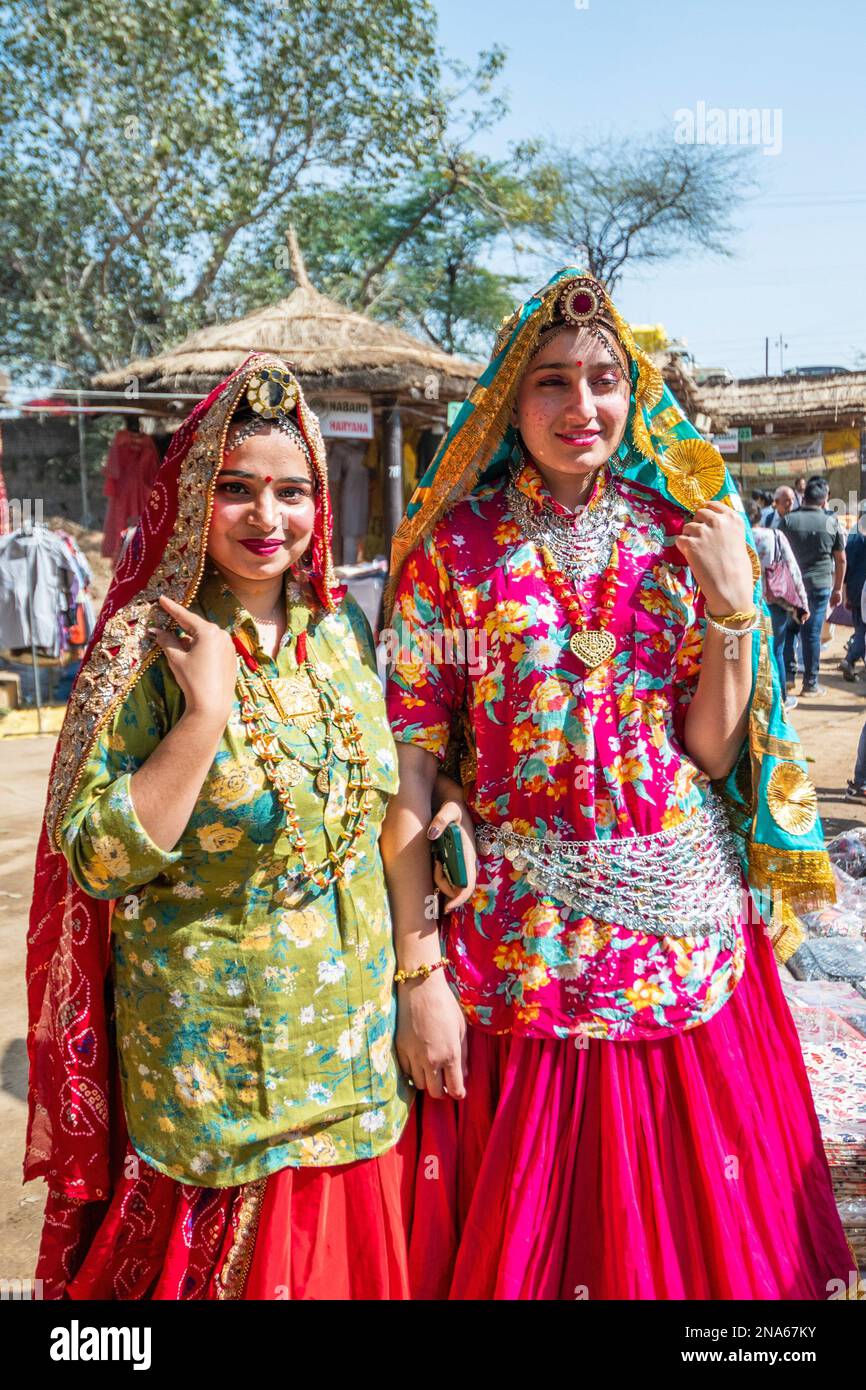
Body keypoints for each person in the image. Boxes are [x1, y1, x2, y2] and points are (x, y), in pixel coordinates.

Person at [382, 269, 853, 1300]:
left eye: (602, 379)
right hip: (518, 949)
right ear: (511, 398)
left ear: (633, 395)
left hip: (683, 940)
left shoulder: (678, 535)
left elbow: (714, 756)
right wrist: (419, 976)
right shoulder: (448, 559)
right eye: (551, 381)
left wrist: (732, 609)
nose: (580, 406)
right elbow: (408, 780)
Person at [24, 354, 468, 1300]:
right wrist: (203, 716)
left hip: (352, 1058)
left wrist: (421, 981)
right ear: (192, 496)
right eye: (237, 490)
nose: (269, 519)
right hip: (218, 1081)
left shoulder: (339, 627)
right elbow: (97, 862)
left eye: (292, 491)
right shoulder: (147, 643)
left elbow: (386, 807)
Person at [779, 476, 845, 696]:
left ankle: (788, 677)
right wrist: (837, 589)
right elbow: (840, 559)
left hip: (792, 588)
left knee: (790, 631)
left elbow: (779, 557)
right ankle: (811, 683)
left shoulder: (788, 521)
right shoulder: (831, 521)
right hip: (819, 586)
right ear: (825, 499)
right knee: (812, 633)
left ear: (803, 497)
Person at [747, 498, 809, 711]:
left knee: (749, 654)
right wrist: (803, 603)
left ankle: (752, 700)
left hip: (743, 605)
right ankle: (780, 700)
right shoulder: (773, 535)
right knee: (777, 651)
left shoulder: (735, 538)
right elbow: (793, 570)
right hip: (774, 604)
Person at [840, 519, 866, 681]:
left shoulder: (853, 538)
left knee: (860, 628)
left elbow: (846, 566)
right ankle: (850, 659)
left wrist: (844, 593)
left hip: (855, 589)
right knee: (862, 632)